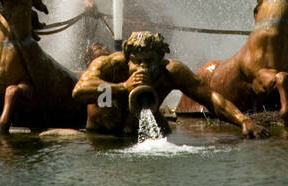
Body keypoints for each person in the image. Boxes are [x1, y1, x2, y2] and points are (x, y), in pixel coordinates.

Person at [72, 31, 263, 138]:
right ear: (127, 58)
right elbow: (79, 91)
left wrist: (243, 121)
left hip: (144, 134)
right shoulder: (111, 65)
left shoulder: (170, 71)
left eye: (149, 61)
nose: (143, 66)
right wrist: (123, 87)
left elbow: (210, 97)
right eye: (137, 61)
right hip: (103, 135)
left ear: (160, 58)